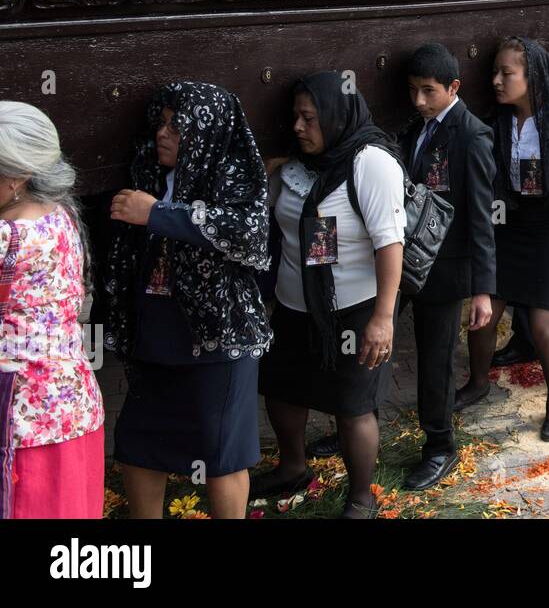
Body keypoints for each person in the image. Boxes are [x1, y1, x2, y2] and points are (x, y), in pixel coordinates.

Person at [102, 83, 270, 519]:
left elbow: (249, 237)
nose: (163, 133)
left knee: (221, 455)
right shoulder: (149, 175)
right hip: (155, 335)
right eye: (161, 123)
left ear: (206, 131)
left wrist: (158, 214)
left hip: (218, 339)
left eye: (177, 127)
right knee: (139, 444)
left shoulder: (233, 176)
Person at [256, 72, 407, 517]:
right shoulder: (296, 165)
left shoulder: (370, 163)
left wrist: (383, 318)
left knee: (352, 405)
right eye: (295, 118)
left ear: (337, 116)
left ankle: (361, 498)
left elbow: (390, 243)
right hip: (293, 304)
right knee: (282, 390)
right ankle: (293, 468)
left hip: (354, 310)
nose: (299, 127)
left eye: (309, 118)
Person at [462, 39, 549, 438]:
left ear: (532, 76)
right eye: (495, 71)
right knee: (483, 312)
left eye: (506, 73)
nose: (496, 80)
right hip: (511, 221)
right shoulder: (502, 117)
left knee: (544, 323)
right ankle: (477, 382)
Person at [396, 44, 496, 490]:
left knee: (436, 360)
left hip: (446, 267)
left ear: (453, 87)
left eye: (428, 92)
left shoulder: (471, 135)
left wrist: (482, 289)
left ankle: (440, 446)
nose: (419, 101)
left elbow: (481, 216)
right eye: (413, 91)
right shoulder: (417, 127)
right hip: (404, 259)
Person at [0, 102, 103, 519]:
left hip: (18, 421)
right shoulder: (61, 216)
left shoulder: (7, 237)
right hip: (71, 408)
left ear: (17, 177)